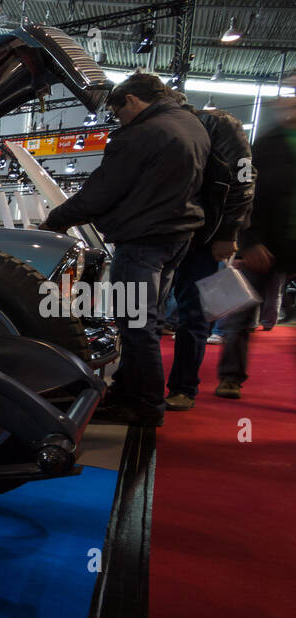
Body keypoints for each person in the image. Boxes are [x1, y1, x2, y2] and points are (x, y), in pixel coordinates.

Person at [41, 73, 210, 427]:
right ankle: (128, 391)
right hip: (176, 237)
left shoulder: (140, 134)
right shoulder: (190, 124)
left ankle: (146, 405)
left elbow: (102, 190)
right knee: (147, 319)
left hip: (143, 240)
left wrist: (56, 220)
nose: (119, 121)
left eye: (119, 114)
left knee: (136, 324)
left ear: (131, 101)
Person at [163, 91, 254, 410]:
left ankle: (184, 387)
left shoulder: (220, 125)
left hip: (202, 235)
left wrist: (228, 232)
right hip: (162, 234)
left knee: (193, 311)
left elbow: (244, 181)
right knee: (149, 311)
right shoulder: (160, 131)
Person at [216, 95, 296, 399]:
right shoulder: (263, 146)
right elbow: (245, 195)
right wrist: (249, 242)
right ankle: (231, 377)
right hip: (265, 243)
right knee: (240, 313)